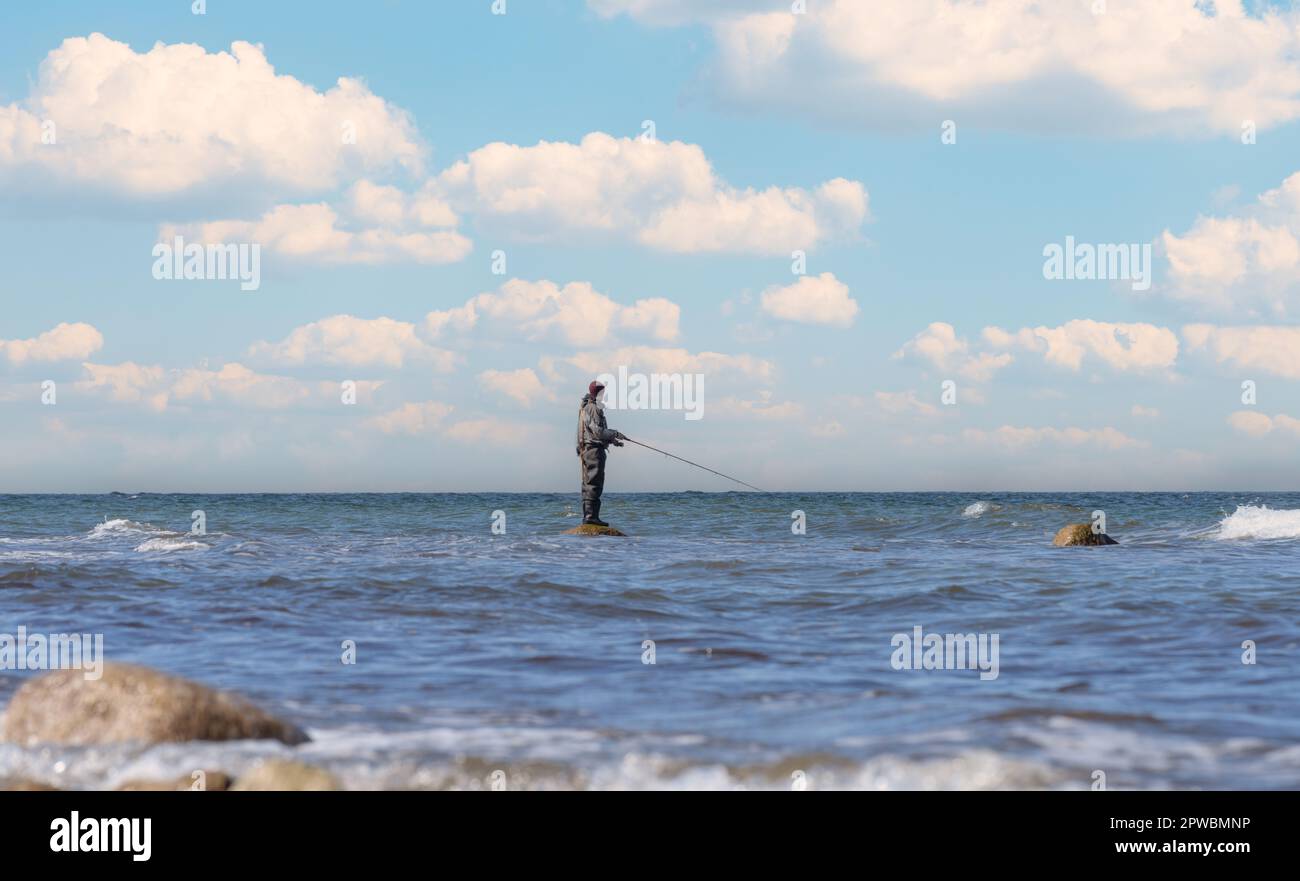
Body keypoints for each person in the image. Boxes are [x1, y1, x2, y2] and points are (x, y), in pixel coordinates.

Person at [575, 380, 625, 526]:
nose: (604, 395)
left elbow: (591, 432)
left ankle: (589, 516)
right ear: (598, 393)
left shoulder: (586, 407)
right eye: (603, 392)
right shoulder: (593, 408)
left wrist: (613, 441)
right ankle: (591, 517)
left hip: (588, 449)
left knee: (588, 482)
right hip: (593, 451)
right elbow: (597, 432)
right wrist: (615, 433)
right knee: (594, 483)